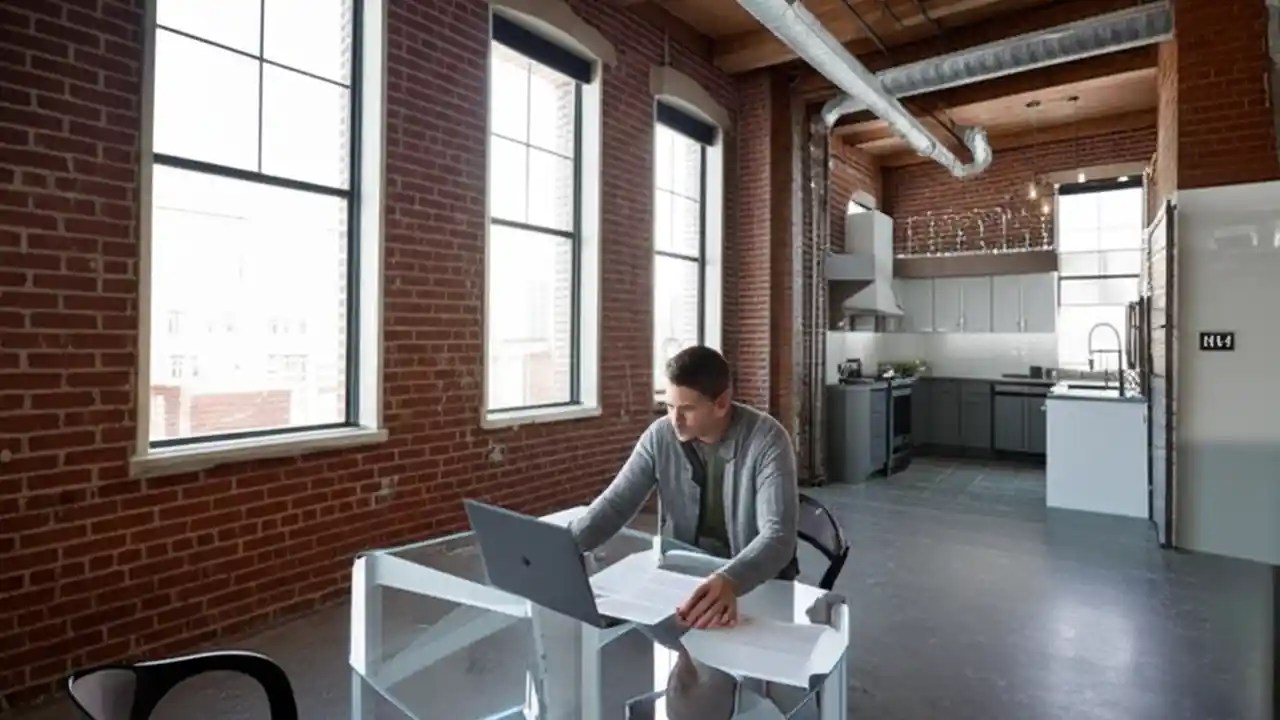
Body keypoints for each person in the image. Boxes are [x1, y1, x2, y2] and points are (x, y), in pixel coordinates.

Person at [567, 345, 800, 718]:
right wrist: (564, 548)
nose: (674, 420)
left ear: (722, 402)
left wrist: (730, 579)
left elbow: (778, 537)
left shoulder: (768, 441)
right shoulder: (661, 436)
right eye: (668, 406)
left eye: (687, 409)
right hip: (684, 581)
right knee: (675, 666)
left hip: (756, 582)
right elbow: (613, 506)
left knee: (714, 680)